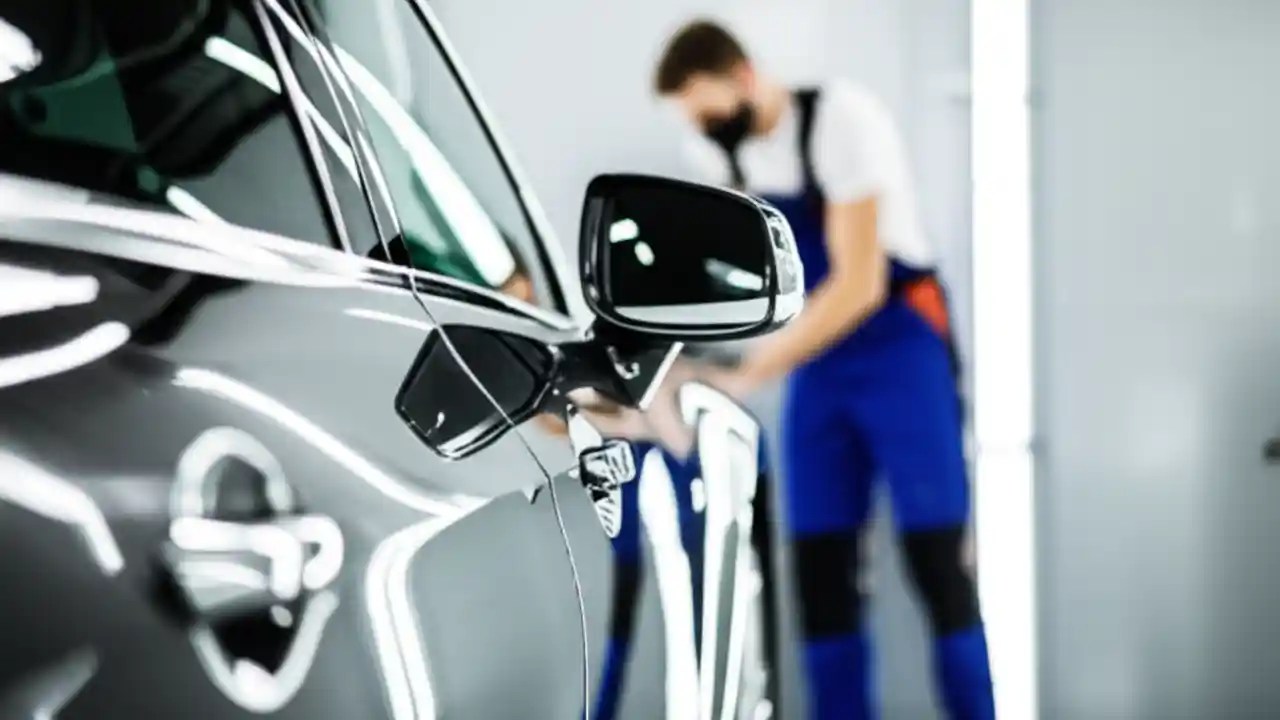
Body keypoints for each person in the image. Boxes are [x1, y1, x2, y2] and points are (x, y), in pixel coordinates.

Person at [653, 20, 995, 719]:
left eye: (713, 114)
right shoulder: (721, 157)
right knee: (820, 573)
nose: (711, 133)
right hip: (818, 364)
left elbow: (859, 282)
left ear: (743, 78)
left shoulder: (843, 120)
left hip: (900, 346)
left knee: (941, 565)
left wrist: (747, 374)